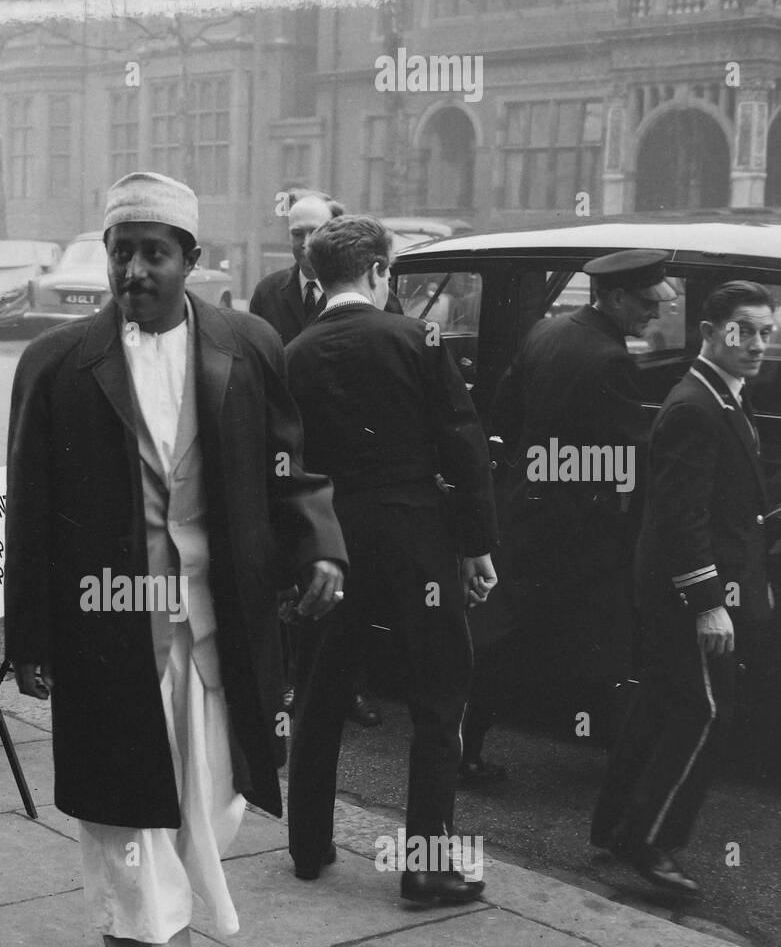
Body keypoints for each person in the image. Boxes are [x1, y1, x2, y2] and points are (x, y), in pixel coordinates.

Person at [5, 171, 346, 947]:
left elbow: (289, 468)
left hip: (218, 623)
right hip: (108, 633)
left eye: (154, 253)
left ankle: (173, 928)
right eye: (121, 252)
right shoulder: (56, 365)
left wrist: (319, 547)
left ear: (192, 260)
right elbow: (28, 510)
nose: (134, 270)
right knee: (126, 820)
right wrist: (28, 638)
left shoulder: (248, 344)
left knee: (210, 800)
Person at [284, 214, 497, 904]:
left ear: (317, 277)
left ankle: (309, 846)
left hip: (331, 545)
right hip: (416, 542)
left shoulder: (295, 352)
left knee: (320, 690)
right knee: (437, 696)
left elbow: (284, 464)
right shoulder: (414, 339)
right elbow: (461, 444)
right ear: (378, 272)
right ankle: (426, 863)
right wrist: (474, 544)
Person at [591, 281, 779, 895]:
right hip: (689, 592)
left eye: (766, 332)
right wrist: (708, 604)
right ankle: (654, 840)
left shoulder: (723, 397)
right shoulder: (696, 406)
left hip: (705, 581)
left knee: (660, 704)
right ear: (710, 331)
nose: (757, 344)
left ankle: (617, 825)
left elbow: (727, 509)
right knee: (706, 712)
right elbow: (679, 518)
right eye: (744, 330)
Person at [461, 250, 677, 781]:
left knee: (506, 634)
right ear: (618, 296)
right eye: (648, 303)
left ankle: (463, 744)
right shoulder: (610, 359)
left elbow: (507, 411)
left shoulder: (549, 330)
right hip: (579, 528)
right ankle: (630, 771)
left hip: (529, 512)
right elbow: (630, 456)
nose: (655, 314)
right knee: (609, 638)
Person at [250, 190, 382, 729]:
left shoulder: (371, 294)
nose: (303, 244)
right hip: (287, 454)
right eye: (295, 234)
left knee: (344, 573)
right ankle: (286, 682)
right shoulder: (269, 293)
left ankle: (348, 687)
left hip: (343, 457)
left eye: (313, 233)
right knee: (288, 568)